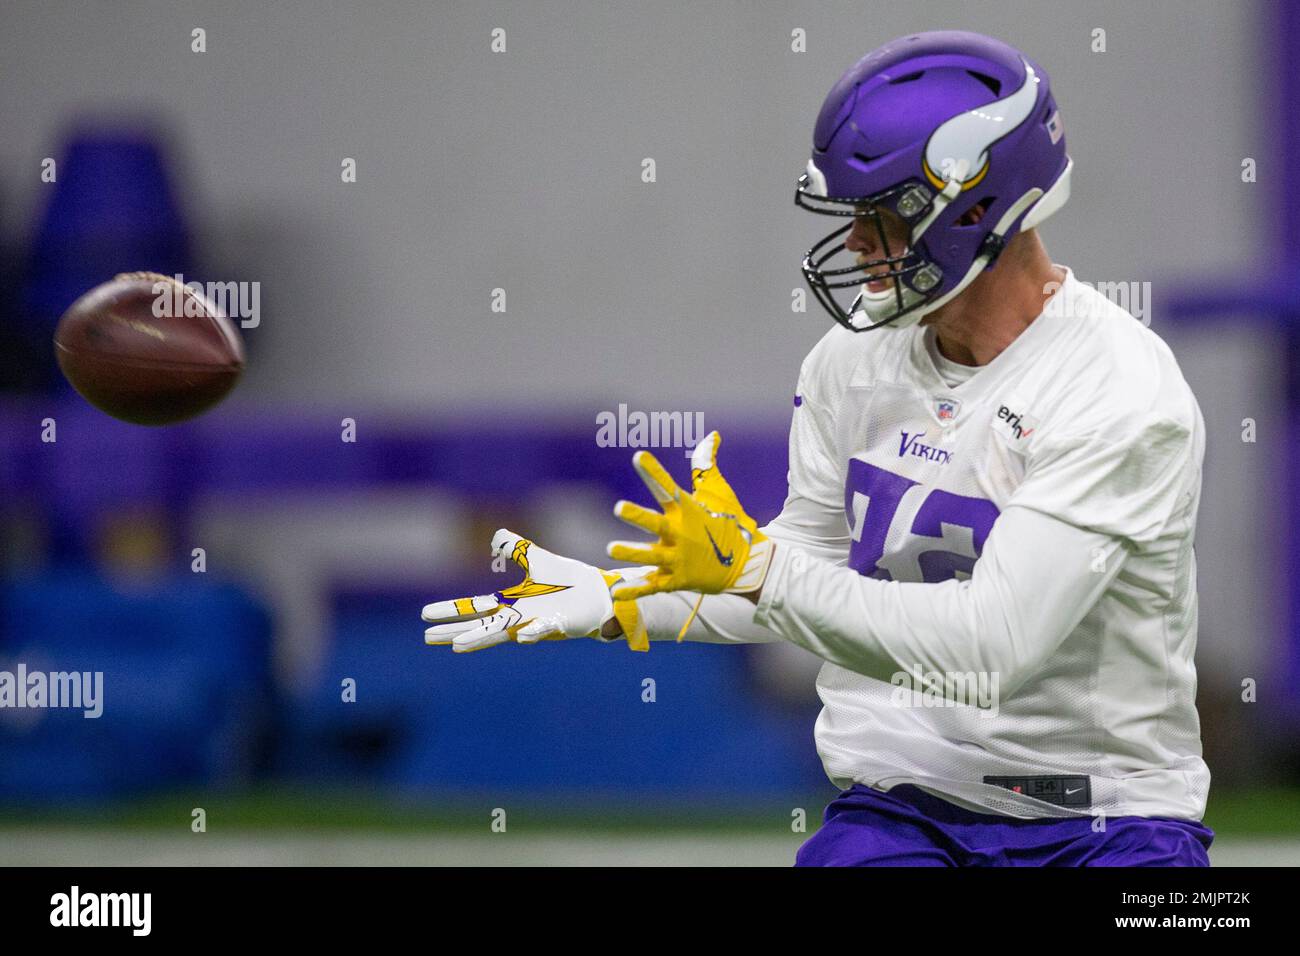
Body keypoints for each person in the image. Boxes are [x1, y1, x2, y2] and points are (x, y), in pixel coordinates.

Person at [422, 30, 1212, 867]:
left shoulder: (1117, 388)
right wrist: (623, 599)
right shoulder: (854, 360)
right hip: (905, 803)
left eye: (884, 215)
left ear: (977, 207)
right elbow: (803, 568)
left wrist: (761, 571)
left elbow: (993, 644)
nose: (860, 244)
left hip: (1104, 820)